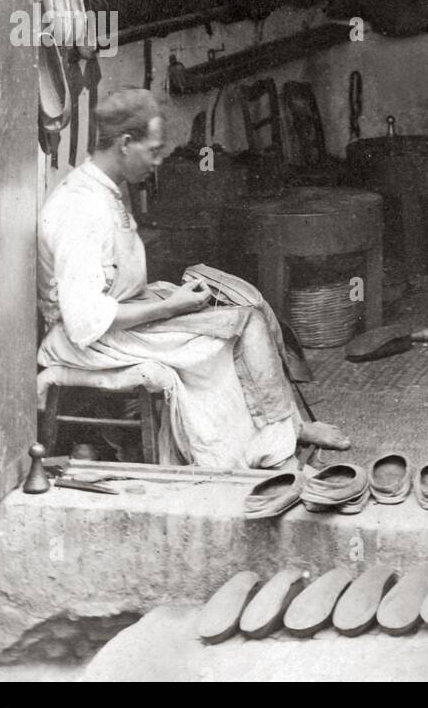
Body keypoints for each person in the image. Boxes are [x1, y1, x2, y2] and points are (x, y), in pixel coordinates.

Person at [37, 88, 350, 469]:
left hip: (124, 312)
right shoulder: (81, 207)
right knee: (235, 327)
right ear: (124, 144)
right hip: (89, 339)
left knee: (244, 303)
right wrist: (171, 307)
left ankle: (285, 427)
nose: (158, 162)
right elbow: (84, 319)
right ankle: (256, 449)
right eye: (152, 151)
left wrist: (170, 301)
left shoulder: (107, 190)